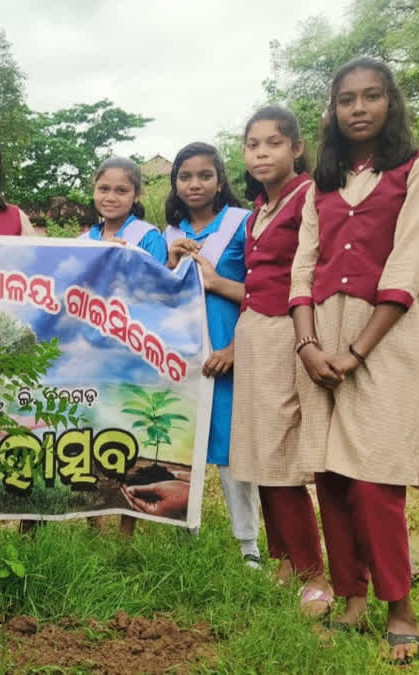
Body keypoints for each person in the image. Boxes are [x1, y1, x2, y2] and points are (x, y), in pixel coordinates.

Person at [290, 57, 419, 665]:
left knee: (377, 475)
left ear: (391, 103)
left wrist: (356, 351)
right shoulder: (322, 182)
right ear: (332, 110)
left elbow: (409, 265)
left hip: (384, 331)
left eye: (371, 96)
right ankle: (351, 595)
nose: (358, 109)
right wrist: (308, 344)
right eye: (346, 99)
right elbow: (304, 264)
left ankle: (399, 605)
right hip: (319, 330)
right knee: (330, 471)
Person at [228, 106, 333, 615]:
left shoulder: (309, 195)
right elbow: (252, 279)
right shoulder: (258, 209)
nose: (261, 153)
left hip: (283, 329)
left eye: (273, 143)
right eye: (253, 145)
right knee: (257, 452)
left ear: (296, 148)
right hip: (253, 330)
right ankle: (285, 559)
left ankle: (314, 572)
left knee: (280, 452)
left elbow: (314, 269)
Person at [163, 142, 262, 568]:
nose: (195, 184)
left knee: (232, 450)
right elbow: (156, 301)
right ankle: (187, 531)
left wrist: (236, 348)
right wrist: (168, 264)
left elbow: (265, 293)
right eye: (185, 176)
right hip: (182, 362)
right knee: (183, 445)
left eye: (204, 175)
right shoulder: (170, 234)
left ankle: (249, 545)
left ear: (220, 180)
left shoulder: (242, 224)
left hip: (229, 353)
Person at [80, 156, 167, 536]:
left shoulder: (148, 236)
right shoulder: (83, 240)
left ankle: (127, 530)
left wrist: (122, 259)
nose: (111, 196)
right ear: (93, 191)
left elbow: (156, 290)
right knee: (89, 434)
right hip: (88, 353)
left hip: (133, 355)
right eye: (104, 188)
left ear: (136, 194)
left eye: (121, 190)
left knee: (128, 436)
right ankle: (92, 520)